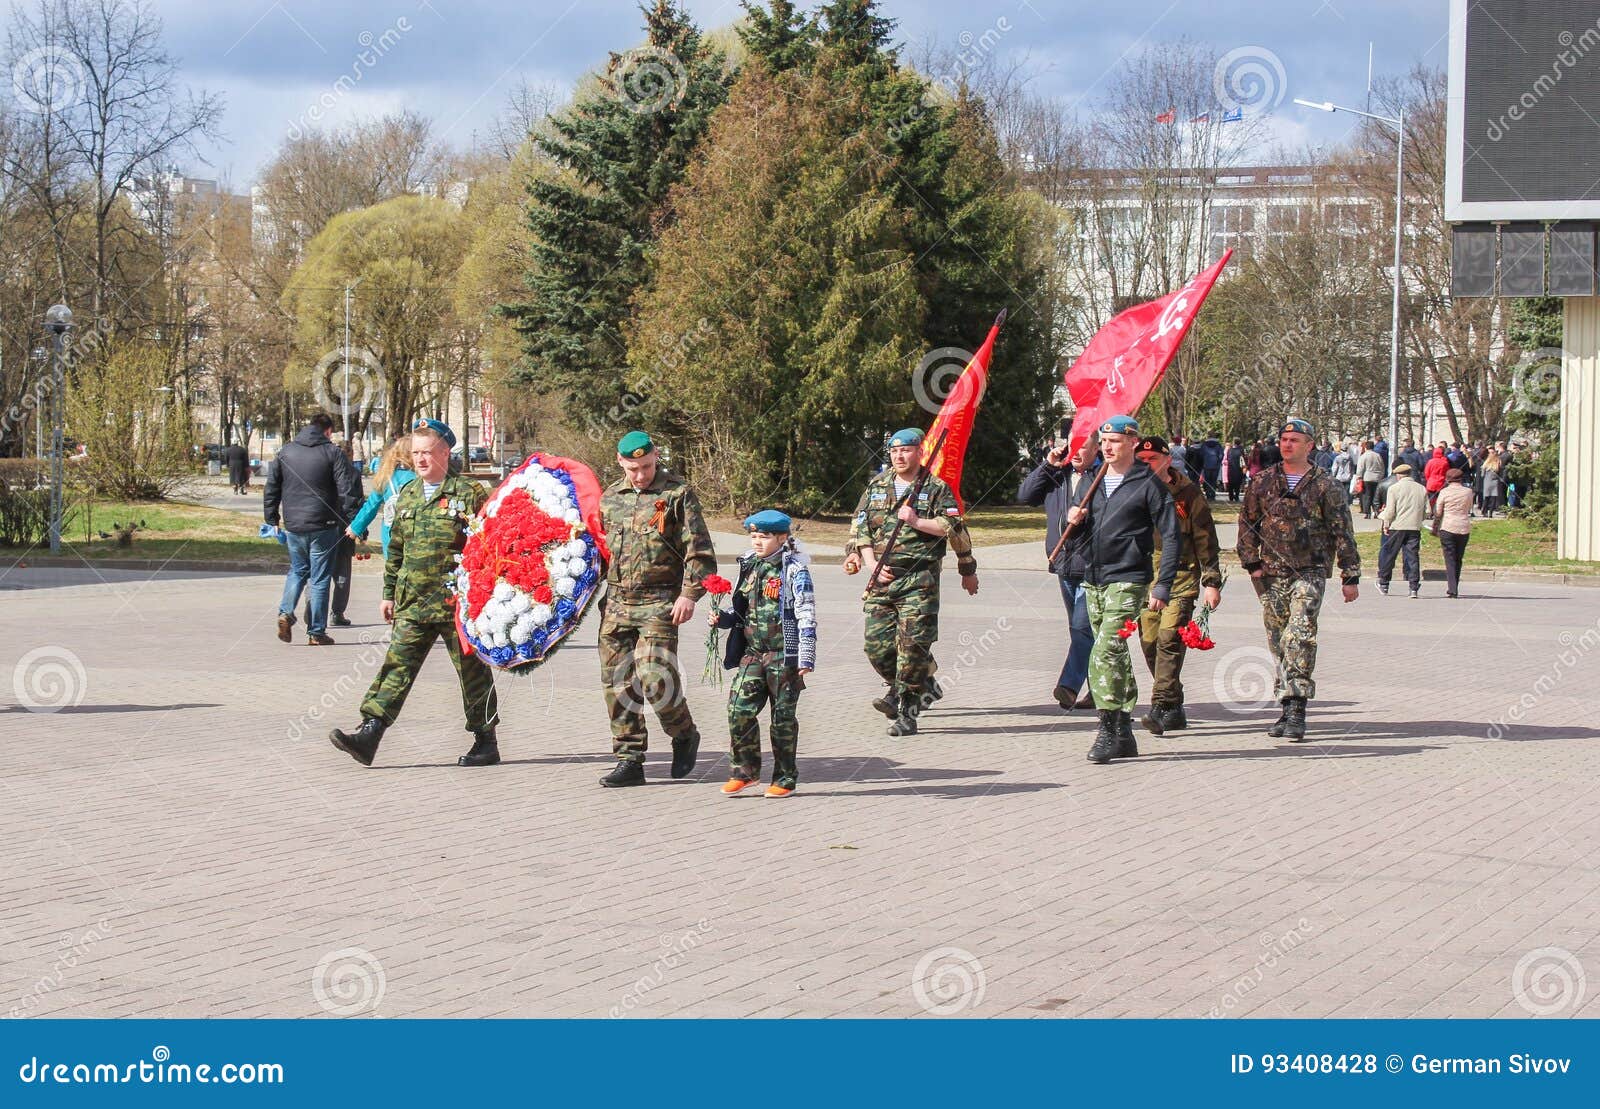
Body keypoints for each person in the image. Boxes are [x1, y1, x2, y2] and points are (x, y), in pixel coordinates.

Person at [329, 419, 499, 768]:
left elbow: (487, 548)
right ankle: (370, 732)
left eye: (428, 452)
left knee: (472, 671)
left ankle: (486, 740)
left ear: (445, 452)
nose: (420, 460)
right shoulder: (405, 495)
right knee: (397, 666)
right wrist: (388, 592)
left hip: (457, 603)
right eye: (416, 453)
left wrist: (484, 596)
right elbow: (397, 550)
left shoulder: (468, 494)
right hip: (412, 601)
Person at [596, 430, 717, 788]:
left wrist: (689, 595)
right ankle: (629, 759)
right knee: (618, 684)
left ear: (656, 457)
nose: (640, 475)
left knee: (654, 678)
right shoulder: (609, 499)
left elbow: (700, 552)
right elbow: (599, 554)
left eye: (646, 466)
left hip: (660, 602)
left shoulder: (677, 494)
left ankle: (683, 734)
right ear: (620, 463)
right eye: (632, 468)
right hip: (616, 603)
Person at [844, 428, 979, 736]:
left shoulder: (935, 487)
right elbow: (860, 525)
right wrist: (867, 561)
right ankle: (923, 681)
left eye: (906, 450)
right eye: (894, 451)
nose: (899, 456)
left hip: (920, 580)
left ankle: (907, 709)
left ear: (920, 451)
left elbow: (953, 527)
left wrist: (966, 567)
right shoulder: (878, 485)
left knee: (912, 649)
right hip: (881, 578)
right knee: (876, 647)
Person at [1063, 415, 1179, 764]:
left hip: (1129, 577)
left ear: (1132, 442)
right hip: (1095, 577)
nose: (1108, 447)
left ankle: (1107, 728)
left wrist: (1163, 585)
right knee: (1113, 652)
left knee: (1104, 650)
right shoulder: (1091, 482)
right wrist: (1074, 522)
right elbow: (1081, 538)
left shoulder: (1148, 483)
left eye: (1115, 441)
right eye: (1104, 441)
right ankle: (1124, 731)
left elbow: (1172, 536)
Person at [1237, 418, 1360, 742]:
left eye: (1295, 439)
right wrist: (1253, 565)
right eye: (1284, 439)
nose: (1287, 444)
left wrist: (1350, 573)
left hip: (1309, 571)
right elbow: (1247, 525)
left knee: (1299, 635)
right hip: (1271, 573)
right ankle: (1286, 702)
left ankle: (1297, 708)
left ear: (1310, 445)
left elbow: (1342, 529)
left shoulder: (1325, 484)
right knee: (1278, 640)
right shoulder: (1262, 481)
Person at [709, 510, 816, 798]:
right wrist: (723, 618)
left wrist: (806, 656)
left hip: (784, 654)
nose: (757, 542)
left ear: (782, 538)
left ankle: (784, 778)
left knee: (782, 718)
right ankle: (745, 772)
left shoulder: (794, 569)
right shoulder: (749, 564)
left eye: (764, 537)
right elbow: (741, 607)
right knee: (738, 710)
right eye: (754, 536)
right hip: (753, 652)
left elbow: (806, 612)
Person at [1132, 435, 1222, 735]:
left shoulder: (1187, 493)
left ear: (1167, 460)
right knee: (1149, 643)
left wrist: (1211, 581)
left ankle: (1159, 707)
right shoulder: (1132, 490)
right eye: (1141, 461)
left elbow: (1205, 539)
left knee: (1170, 639)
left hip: (1181, 577)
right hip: (1147, 577)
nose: (1146, 465)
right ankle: (1173, 703)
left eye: (1152, 460)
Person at [1018, 430, 1099, 711]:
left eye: (1084, 447)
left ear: (1096, 448)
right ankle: (1099, 688)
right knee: (1084, 630)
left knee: (1082, 627)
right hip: (1064, 564)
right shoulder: (1057, 475)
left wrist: (1088, 517)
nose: (1076, 452)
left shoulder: (1101, 477)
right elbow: (1025, 496)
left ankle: (1069, 685)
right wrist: (1047, 465)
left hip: (1093, 566)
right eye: (1072, 446)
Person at [264, 412, 359, 646]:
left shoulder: (286, 451)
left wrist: (272, 517)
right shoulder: (332, 453)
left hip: (294, 524)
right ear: (328, 431)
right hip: (324, 524)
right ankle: (316, 632)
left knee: (297, 570)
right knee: (319, 578)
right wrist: (353, 521)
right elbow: (346, 490)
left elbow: (271, 486)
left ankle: (285, 612)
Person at [348, 437, 418, 559]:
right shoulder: (420, 477)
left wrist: (355, 528)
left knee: (392, 569)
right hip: (416, 533)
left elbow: (371, 506)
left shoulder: (386, 477)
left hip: (390, 532)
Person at [1376, 463, 1427, 598]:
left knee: (1390, 555)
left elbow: (1390, 511)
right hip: (1414, 527)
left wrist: (1385, 523)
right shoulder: (1421, 489)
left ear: (1398, 475)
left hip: (1396, 526)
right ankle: (1413, 587)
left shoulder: (1394, 489)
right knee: (1412, 557)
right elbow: (1427, 511)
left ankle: (1384, 583)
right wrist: (1418, 519)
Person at [1433, 468, 1474, 598]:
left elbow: (1438, 511)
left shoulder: (1444, 492)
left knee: (1449, 558)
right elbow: (1469, 507)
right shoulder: (1468, 492)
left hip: (1448, 526)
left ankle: (1452, 589)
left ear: (1447, 479)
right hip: (1463, 527)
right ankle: (1454, 585)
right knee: (1458, 558)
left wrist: (1435, 524)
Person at [1356, 439, 1385, 518]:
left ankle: (1367, 512)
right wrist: (1381, 475)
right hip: (1377, 478)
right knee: (1376, 496)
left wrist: (1359, 477)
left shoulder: (1364, 456)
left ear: (1366, 447)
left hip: (1367, 478)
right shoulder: (1378, 456)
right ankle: (1376, 511)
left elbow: (1360, 468)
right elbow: (1382, 467)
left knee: (1367, 496)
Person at [1479, 443, 1508, 517]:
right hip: (1495, 481)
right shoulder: (1498, 462)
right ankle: (1490, 513)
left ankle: (1484, 511)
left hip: (1487, 481)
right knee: (1494, 498)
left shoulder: (1486, 463)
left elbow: (1482, 474)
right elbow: (1501, 471)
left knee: (1486, 497)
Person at [1423, 444, 1449, 510]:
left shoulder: (1430, 462)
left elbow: (1426, 472)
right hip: (1441, 482)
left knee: (1431, 499)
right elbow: (1446, 472)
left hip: (1431, 482)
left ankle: (1430, 511)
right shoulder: (1445, 462)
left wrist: (1428, 479)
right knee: (1440, 499)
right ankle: (1438, 511)